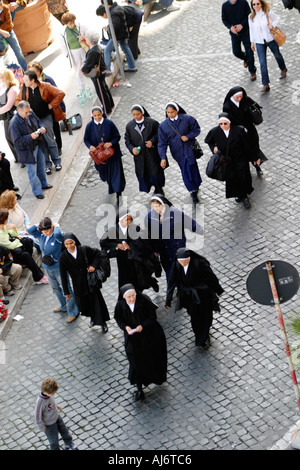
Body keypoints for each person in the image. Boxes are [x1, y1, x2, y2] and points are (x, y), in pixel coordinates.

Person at [114, 284, 167, 401]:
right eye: (129, 297)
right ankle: (139, 389)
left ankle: (154, 379)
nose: (132, 299)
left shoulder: (143, 301)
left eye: (133, 295)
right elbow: (118, 318)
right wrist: (125, 327)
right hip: (133, 339)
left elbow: (152, 317)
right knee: (135, 363)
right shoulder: (120, 305)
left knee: (152, 358)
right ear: (124, 298)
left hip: (149, 337)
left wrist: (142, 326)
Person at [166, 248, 224, 349]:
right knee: (194, 317)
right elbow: (172, 281)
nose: (183, 264)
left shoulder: (199, 263)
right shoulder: (177, 265)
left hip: (203, 295)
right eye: (181, 262)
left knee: (206, 316)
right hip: (189, 297)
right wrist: (168, 299)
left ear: (189, 258)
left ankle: (203, 338)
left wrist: (219, 290)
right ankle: (200, 336)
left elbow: (211, 277)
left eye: (185, 261)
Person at [27, 218, 79, 323]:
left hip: (59, 268)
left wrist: (56, 225)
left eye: (47, 231)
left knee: (66, 289)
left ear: (51, 227)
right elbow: (30, 230)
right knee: (55, 288)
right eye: (43, 231)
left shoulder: (57, 237)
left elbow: (58, 234)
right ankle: (63, 305)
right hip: (47, 267)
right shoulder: (41, 235)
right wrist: (39, 224)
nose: (45, 233)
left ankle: (73, 311)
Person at [15, 70, 65, 173]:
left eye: (25, 80)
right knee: (42, 142)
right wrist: (25, 107)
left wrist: (51, 104)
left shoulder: (45, 86)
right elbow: (17, 101)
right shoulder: (23, 88)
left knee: (50, 140)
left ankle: (57, 162)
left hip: (45, 117)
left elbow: (60, 93)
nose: (23, 81)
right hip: (32, 120)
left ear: (32, 80)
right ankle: (47, 164)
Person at [146, 194, 204, 281]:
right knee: (169, 269)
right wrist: (153, 249)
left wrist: (199, 229)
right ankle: (172, 287)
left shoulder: (175, 212)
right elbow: (149, 233)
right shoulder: (150, 216)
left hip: (176, 246)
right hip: (163, 249)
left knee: (179, 268)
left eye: (157, 206)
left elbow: (187, 221)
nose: (155, 209)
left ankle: (183, 286)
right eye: (153, 206)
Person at [100, 209, 161, 292]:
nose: (129, 222)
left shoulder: (135, 227)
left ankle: (150, 282)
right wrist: (117, 245)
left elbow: (142, 241)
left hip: (135, 257)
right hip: (123, 259)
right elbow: (103, 242)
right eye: (126, 220)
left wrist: (131, 246)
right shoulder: (113, 230)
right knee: (125, 279)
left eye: (130, 219)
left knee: (140, 277)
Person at [59, 233, 110, 331]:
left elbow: (98, 254)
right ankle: (93, 319)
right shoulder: (63, 257)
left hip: (91, 283)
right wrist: (66, 291)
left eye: (71, 243)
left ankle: (102, 322)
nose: (69, 246)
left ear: (75, 242)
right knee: (85, 305)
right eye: (67, 244)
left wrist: (93, 266)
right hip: (78, 286)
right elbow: (63, 275)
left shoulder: (83, 249)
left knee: (97, 303)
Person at [205, 112, 253, 209]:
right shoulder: (215, 131)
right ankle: (238, 194)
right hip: (226, 161)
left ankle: (244, 197)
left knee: (242, 177)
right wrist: (213, 147)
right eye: (221, 124)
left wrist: (253, 157)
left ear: (230, 123)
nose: (223, 126)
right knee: (232, 179)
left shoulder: (238, 130)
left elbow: (247, 145)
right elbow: (209, 141)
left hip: (240, 158)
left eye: (225, 123)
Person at [158, 102, 202, 203]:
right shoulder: (163, 126)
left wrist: (188, 136)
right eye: (168, 112)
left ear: (177, 111)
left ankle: (196, 184)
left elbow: (197, 129)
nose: (170, 114)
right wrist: (163, 157)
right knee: (185, 170)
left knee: (193, 167)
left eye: (172, 112)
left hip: (189, 149)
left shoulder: (187, 119)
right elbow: (162, 143)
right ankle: (192, 190)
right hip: (178, 153)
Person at [9, 101, 53, 199]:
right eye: (26, 112)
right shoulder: (14, 124)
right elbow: (17, 141)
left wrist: (43, 127)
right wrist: (30, 137)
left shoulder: (31, 113)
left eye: (29, 111)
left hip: (38, 144)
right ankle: (37, 192)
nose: (28, 114)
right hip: (28, 151)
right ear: (19, 111)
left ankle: (44, 184)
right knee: (32, 172)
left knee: (41, 167)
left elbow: (39, 121)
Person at [223, 85, 266, 175]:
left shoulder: (245, 99)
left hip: (249, 129)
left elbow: (255, 107)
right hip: (238, 132)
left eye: (241, 97)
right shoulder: (227, 106)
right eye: (237, 97)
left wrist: (255, 119)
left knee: (254, 147)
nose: (239, 99)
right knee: (243, 149)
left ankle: (257, 165)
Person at [83, 105, 125, 198]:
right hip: (100, 157)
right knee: (104, 175)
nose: (97, 117)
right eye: (95, 116)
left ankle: (118, 192)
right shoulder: (89, 126)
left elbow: (117, 136)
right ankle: (113, 185)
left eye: (99, 115)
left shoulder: (109, 123)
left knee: (116, 174)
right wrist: (90, 146)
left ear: (102, 113)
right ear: (92, 116)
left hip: (112, 155)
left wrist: (111, 143)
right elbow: (86, 139)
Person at [27, 61, 66, 157]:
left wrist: (52, 105)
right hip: (38, 113)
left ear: (38, 72)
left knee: (55, 127)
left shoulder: (47, 80)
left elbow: (58, 94)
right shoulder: (29, 83)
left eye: (32, 71)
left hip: (51, 110)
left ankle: (59, 147)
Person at [124, 104, 165, 195]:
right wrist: (132, 149)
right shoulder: (130, 126)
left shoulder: (152, 123)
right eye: (134, 115)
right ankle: (149, 187)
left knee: (155, 171)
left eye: (138, 114)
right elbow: (127, 140)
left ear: (142, 113)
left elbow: (160, 135)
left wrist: (152, 141)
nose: (136, 117)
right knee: (144, 172)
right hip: (140, 156)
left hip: (152, 154)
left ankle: (159, 189)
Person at [0, 208, 48, 284]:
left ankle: (27, 262)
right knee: (26, 255)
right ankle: (38, 277)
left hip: (13, 247)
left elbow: (14, 234)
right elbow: (10, 246)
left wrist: (14, 228)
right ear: (4, 219)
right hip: (8, 254)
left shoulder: (3, 227)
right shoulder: (0, 234)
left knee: (27, 241)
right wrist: (17, 241)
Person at [248, 0, 287, 93]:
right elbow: (251, 30)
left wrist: (272, 25)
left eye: (258, 3)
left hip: (270, 39)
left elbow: (277, 18)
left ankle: (283, 69)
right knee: (262, 63)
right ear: (252, 6)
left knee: (277, 55)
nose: (256, 5)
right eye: (254, 4)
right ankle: (266, 84)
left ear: (261, 4)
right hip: (259, 42)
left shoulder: (267, 12)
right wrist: (252, 42)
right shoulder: (251, 17)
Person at [34, 377, 78, 451]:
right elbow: (37, 415)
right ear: (46, 392)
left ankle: (68, 443)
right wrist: (41, 426)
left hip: (56, 417)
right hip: (49, 424)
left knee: (64, 431)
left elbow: (51, 402)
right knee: (53, 440)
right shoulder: (40, 402)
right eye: (52, 393)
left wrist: (56, 406)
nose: (54, 394)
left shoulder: (49, 395)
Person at [96, 1, 137, 73]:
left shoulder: (114, 12)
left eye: (102, 16)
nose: (103, 17)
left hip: (118, 36)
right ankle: (132, 66)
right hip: (122, 33)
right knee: (126, 50)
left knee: (107, 50)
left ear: (104, 13)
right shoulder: (116, 8)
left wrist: (109, 29)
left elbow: (115, 27)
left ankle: (107, 70)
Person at [81, 30, 115, 115]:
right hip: (102, 70)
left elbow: (88, 65)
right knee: (104, 88)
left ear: (89, 40)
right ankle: (110, 104)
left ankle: (107, 109)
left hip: (97, 74)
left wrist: (83, 69)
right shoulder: (97, 47)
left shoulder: (92, 52)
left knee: (101, 92)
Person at [221, 0, 257, 81]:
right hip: (234, 33)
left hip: (246, 32)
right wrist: (230, 27)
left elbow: (249, 15)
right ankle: (245, 58)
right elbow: (224, 19)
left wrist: (242, 25)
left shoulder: (243, 2)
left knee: (249, 51)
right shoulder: (225, 6)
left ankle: (252, 71)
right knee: (236, 52)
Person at [60, 12, 89, 97]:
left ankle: (93, 84)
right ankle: (81, 89)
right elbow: (63, 45)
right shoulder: (63, 32)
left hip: (84, 49)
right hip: (73, 53)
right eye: (70, 23)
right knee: (78, 71)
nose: (72, 24)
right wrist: (67, 55)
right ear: (66, 23)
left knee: (88, 67)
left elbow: (89, 33)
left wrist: (83, 36)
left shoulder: (80, 26)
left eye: (73, 22)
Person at [0, 0, 27, 71]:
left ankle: (25, 70)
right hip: (1, 33)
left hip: (9, 30)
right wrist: (1, 31)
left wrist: (16, 4)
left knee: (18, 50)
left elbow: (9, 23)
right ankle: (3, 49)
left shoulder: (6, 8)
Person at [0, 68, 19, 162]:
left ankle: (21, 157)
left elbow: (8, 106)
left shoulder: (12, 89)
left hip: (12, 117)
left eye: (1, 77)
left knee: (13, 138)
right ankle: (18, 158)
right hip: (5, 118)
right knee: (9, 138)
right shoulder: (3, 87)